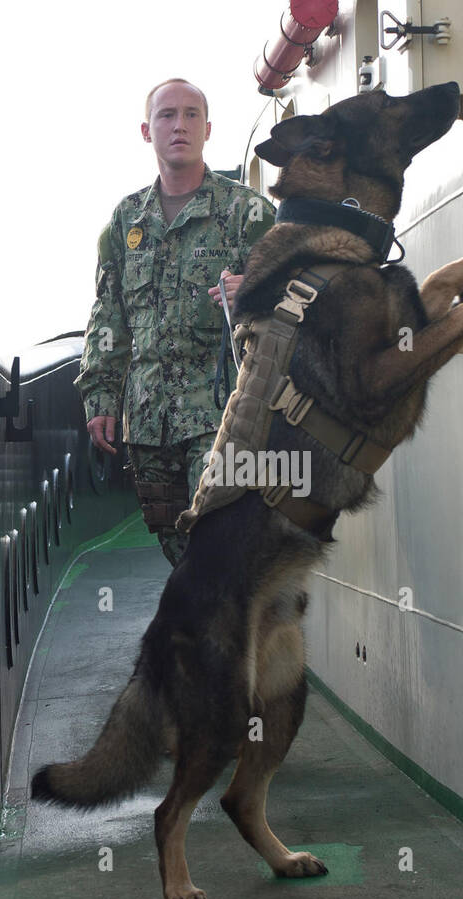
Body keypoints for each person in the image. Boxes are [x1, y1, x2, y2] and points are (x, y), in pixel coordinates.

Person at [75, 78, 276, 565]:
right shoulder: (126, 221)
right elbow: (110, 315)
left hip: (224, 415)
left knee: (224, 546)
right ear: (148, 131)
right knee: (182, 556)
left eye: (191, 115)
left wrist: (254, 292)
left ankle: (232, 639)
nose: (179, 125)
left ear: (208, 129)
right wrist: (101, 395)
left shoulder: (248, 212)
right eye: (167, 115)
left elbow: (296, 301)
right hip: (149, 423)